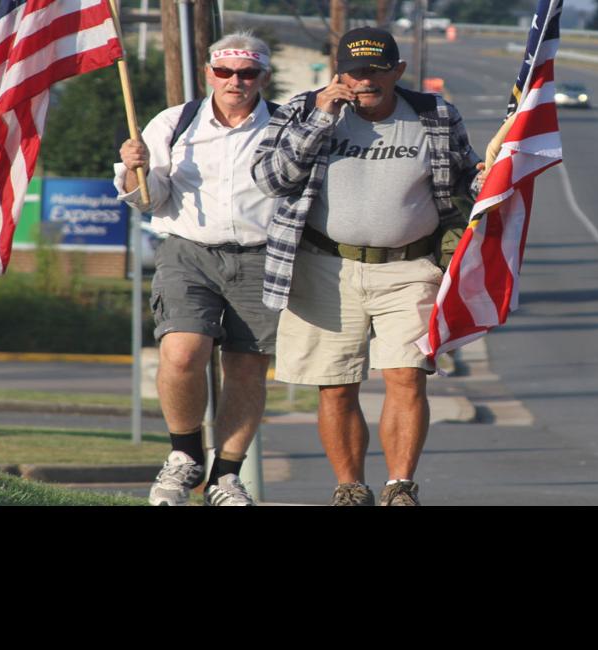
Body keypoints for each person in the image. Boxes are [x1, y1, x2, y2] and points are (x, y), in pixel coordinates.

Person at [252, 27, 480, 506]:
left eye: (378, 70)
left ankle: (400, 486)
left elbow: (463, 182)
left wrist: (489, 177)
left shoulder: (434, 115)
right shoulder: (302, 109)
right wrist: (319, 119)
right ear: (340, 73)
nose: (366, 80)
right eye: (356, 71)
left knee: (406, 374)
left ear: (398, 71)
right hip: (324, 264)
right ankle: (350, 488)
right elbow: (271, 179)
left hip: (409, 265)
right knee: (336, 386)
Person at [116, 32, 279, 506]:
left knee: (247, 369)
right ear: (209, 72)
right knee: (183, 353)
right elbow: (148, 198)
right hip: (189, 250)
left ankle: (225, 478)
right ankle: (184, 457)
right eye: (225, 72)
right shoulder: (175, 121)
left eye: (247, 73)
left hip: (262, 254)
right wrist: (133, 168)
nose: (236, 81)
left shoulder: (286, 125)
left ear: (262, 77)